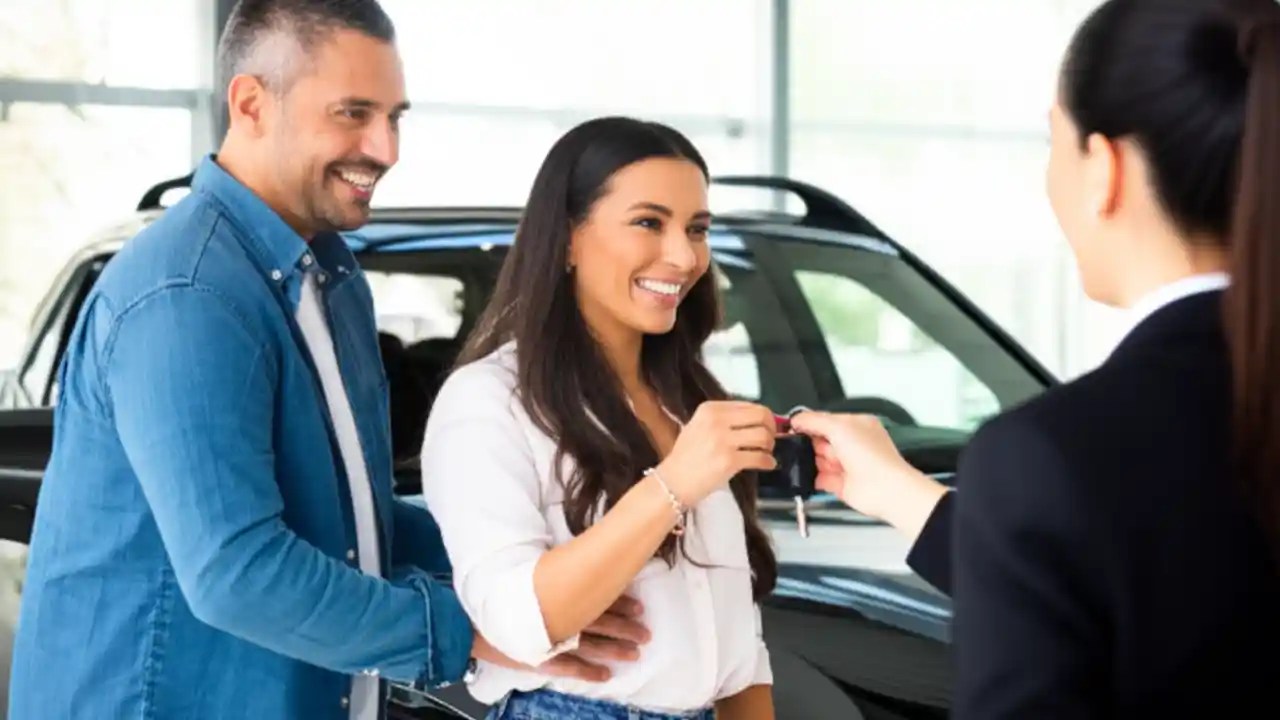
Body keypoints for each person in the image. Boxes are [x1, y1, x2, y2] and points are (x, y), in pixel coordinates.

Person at [8, 2, 641, 718]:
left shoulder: (327, 280)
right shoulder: (187, 296)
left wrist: (538, 574)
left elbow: (350, 523)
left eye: (396, 116)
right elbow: (239, 574)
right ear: (250, 103)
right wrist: (479, 629)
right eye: (353, 113)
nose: (387, 146)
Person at [789, 0, 1280, 716]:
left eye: (1053, 141)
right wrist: (899, 491)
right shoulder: (1061, 466)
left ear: (1104, 168)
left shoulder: (1061, 456)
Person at [419, 116, 779, 720]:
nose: (684, 255)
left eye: (697, 229)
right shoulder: (487, 401)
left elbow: (737, 645)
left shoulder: (689, 402)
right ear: (566, 238)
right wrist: (673, 486)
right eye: (649, 223)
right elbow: (516, 621)